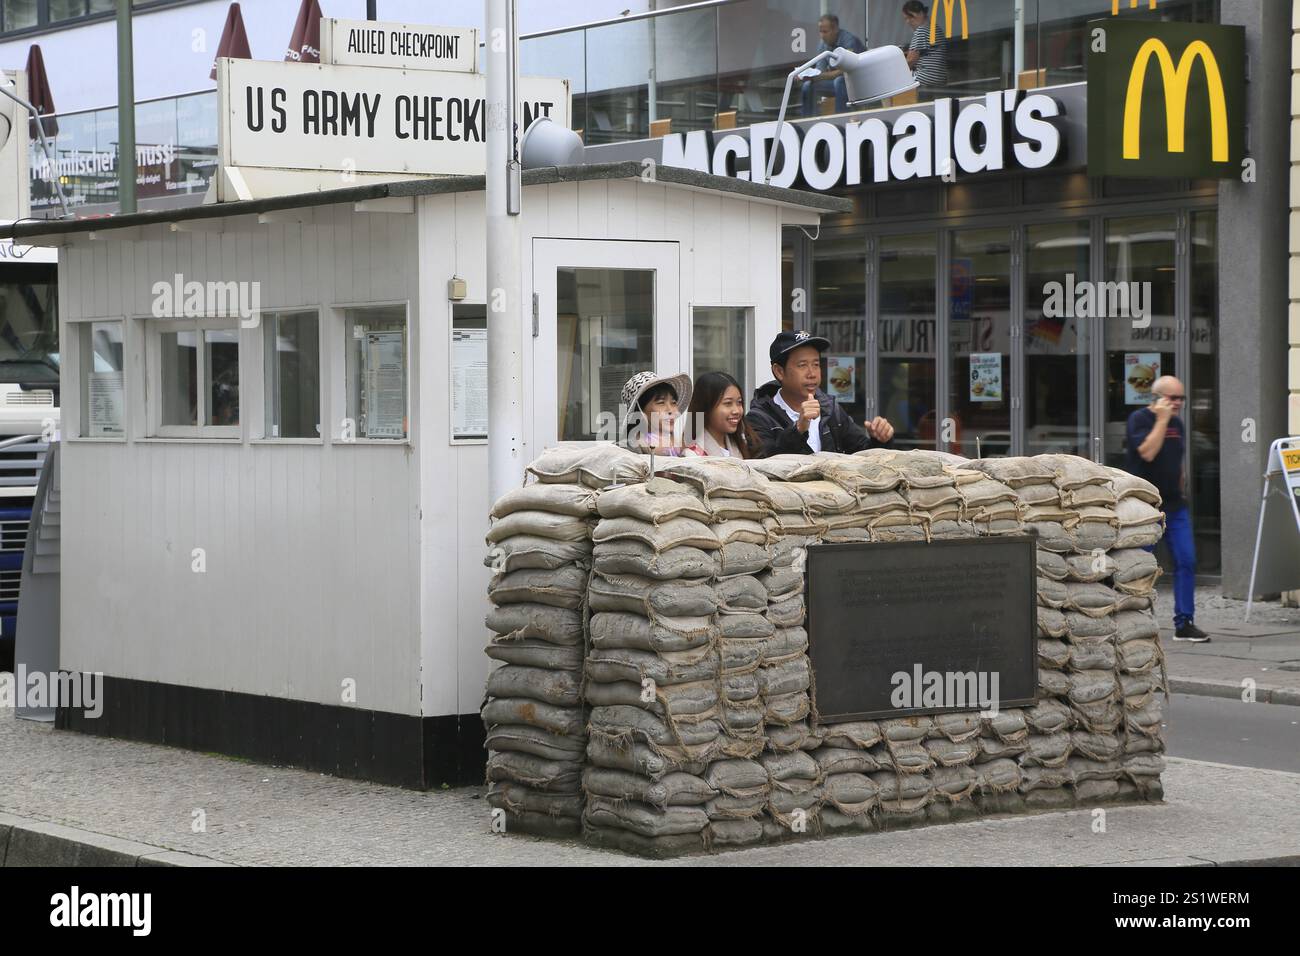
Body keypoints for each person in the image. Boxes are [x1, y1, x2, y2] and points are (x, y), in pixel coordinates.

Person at [1125, 375, 1208, 642]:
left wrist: (1181, 485)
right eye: (1172, 398)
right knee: (1140, 564)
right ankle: (1133, 621)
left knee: (1187, 559)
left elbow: (1178, 459)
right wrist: (1161, 420)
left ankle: (1184, 622)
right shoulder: (1140, 419)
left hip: (1174, 504)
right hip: (1145, 506)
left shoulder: (1178, 424)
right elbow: (1147, 452)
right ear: (1156, 398)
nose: (1178, 403)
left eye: (1181, 398)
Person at [746, 330, 895, 456]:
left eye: (816, 364)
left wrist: (880, 440)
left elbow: (862, 456)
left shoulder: (830, 409)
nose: (812, 373)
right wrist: (798, 430)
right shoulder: (759, 418)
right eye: (802, 365)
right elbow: (764, 464)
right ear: (779, 371)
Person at [620, 370, 704, 457]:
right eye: (661, 402)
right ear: (639, 410)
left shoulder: (675, 448)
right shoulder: (628, 452)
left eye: (673, 402)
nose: (670, 410)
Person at [799, 14, 867, 117]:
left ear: (835, 29)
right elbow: (820, 71)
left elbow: (845, 71)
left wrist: (819, 76)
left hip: (860, 83)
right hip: (839, 85)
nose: (822, 36)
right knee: (808, 85)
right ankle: (807, 121)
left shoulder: (849, 41)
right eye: (820, 32)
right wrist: (806, 76)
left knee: (839, 81)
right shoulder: (822, 44)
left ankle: (840, 120)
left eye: (825, 32)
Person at [685, 371, 763, 458]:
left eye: (739, 402)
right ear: (706, 407)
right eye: (728, 403)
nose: (736, 411)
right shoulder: (693, 455)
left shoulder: (745, 446)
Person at [902, 1, 948, 96]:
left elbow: (910, 61)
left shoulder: (921, 30)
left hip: (923, 82)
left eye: (911, 17)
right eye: (906, 19)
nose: (908, 22)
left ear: (921, 13)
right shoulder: (936, 29)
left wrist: (896, 72)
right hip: (940, 80)